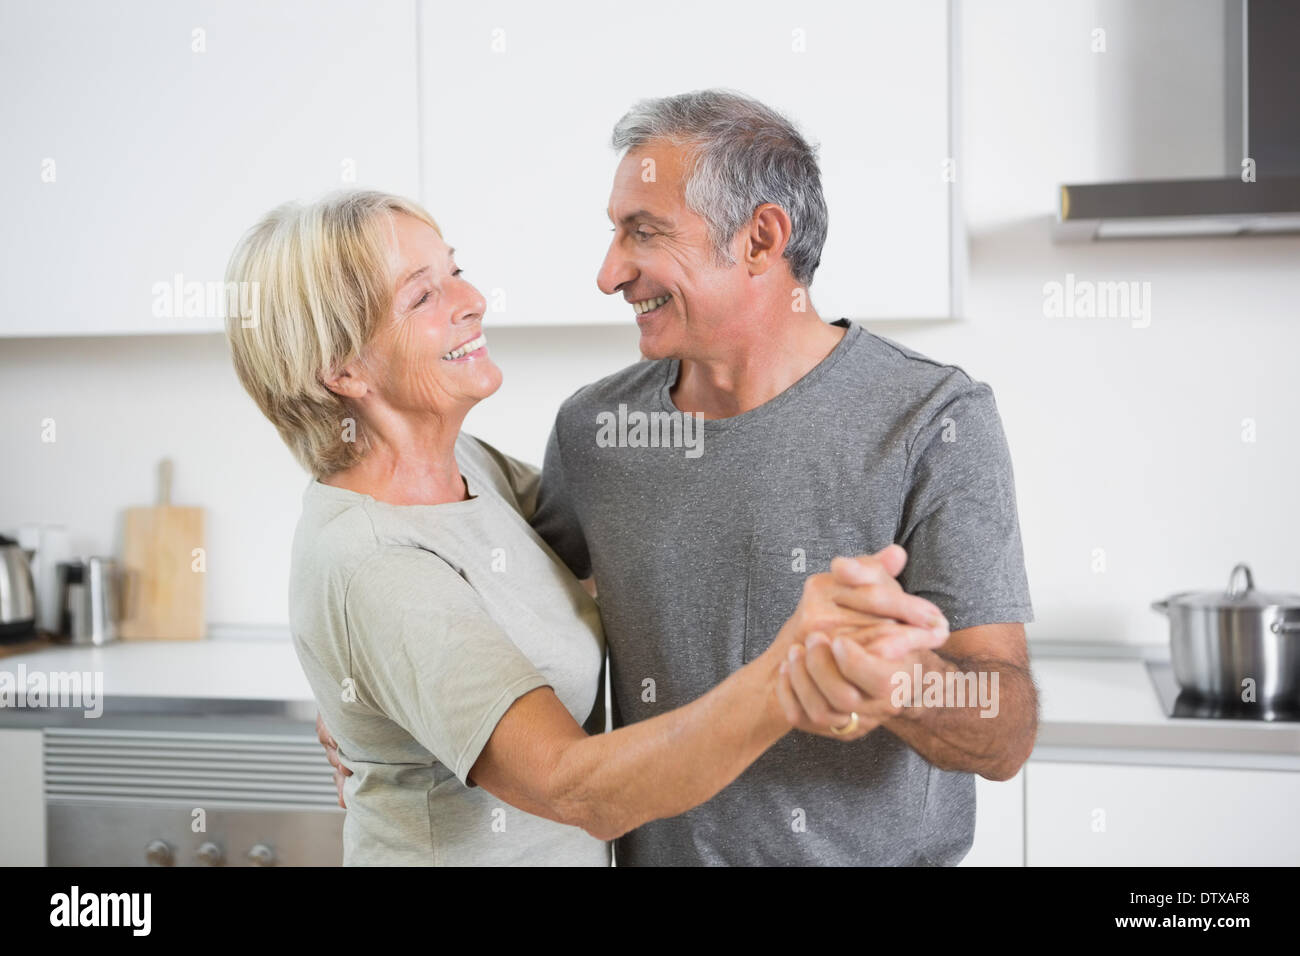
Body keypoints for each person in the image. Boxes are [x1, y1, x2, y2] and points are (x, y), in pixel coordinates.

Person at [225, 189, 950, 865]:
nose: (472, 302)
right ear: (341, 370)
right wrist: (789, 674)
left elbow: (631, 542)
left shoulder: (464, 471)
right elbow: (578, 790)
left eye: (456, 273)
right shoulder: (376, 562)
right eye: (422, 295)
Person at [526, 89, 1039, 865]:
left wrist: (896, 678)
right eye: (614, 233)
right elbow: (515, 627)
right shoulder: (595, 432)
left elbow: (1004, 734)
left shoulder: (934, 418)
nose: (609, 274)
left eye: (644, 232)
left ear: (761, 238)